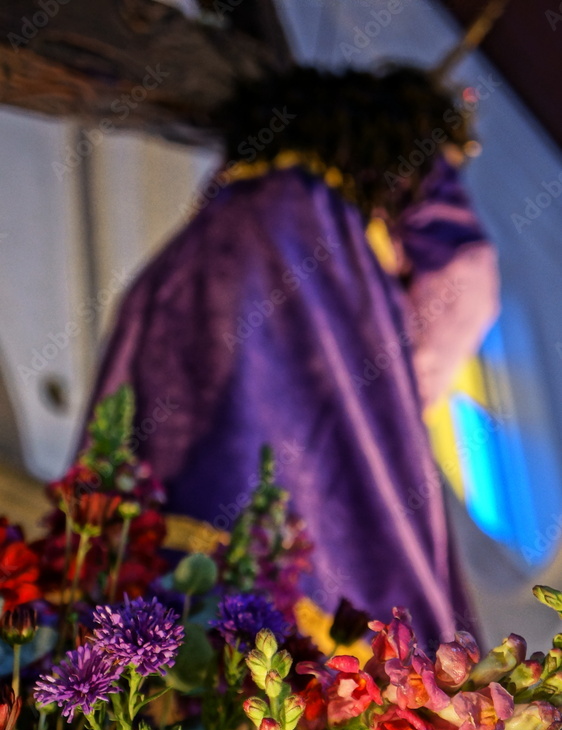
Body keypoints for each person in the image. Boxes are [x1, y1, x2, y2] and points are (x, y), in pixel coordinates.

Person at [89, 66, 499, 649]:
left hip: (186, 306)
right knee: (335, 545)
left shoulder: (249, 178)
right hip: (317, 310)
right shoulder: (410, 161)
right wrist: (400, 402)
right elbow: (464, 275)